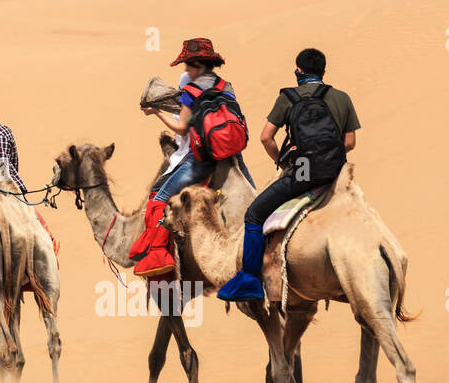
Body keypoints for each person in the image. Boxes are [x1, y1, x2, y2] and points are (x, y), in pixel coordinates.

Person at [218, 48, 359, 301]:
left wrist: (282, 162)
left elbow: (265, 137)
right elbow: (349, 143)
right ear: (323, 72)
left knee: (254, 214)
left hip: (302, 174)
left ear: (299, 71)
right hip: (336, 175)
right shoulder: (342, 97)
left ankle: (250, 280)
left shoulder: (288, 97)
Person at [135, 37, 247, 278]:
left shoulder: (191, 90)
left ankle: (158, 256)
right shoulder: (227, 86)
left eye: (187, 64)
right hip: (232, 152)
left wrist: (155, 112)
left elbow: (181, 129)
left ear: (197, 65)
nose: (185, 69)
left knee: (158, 198)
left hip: (203, 159)